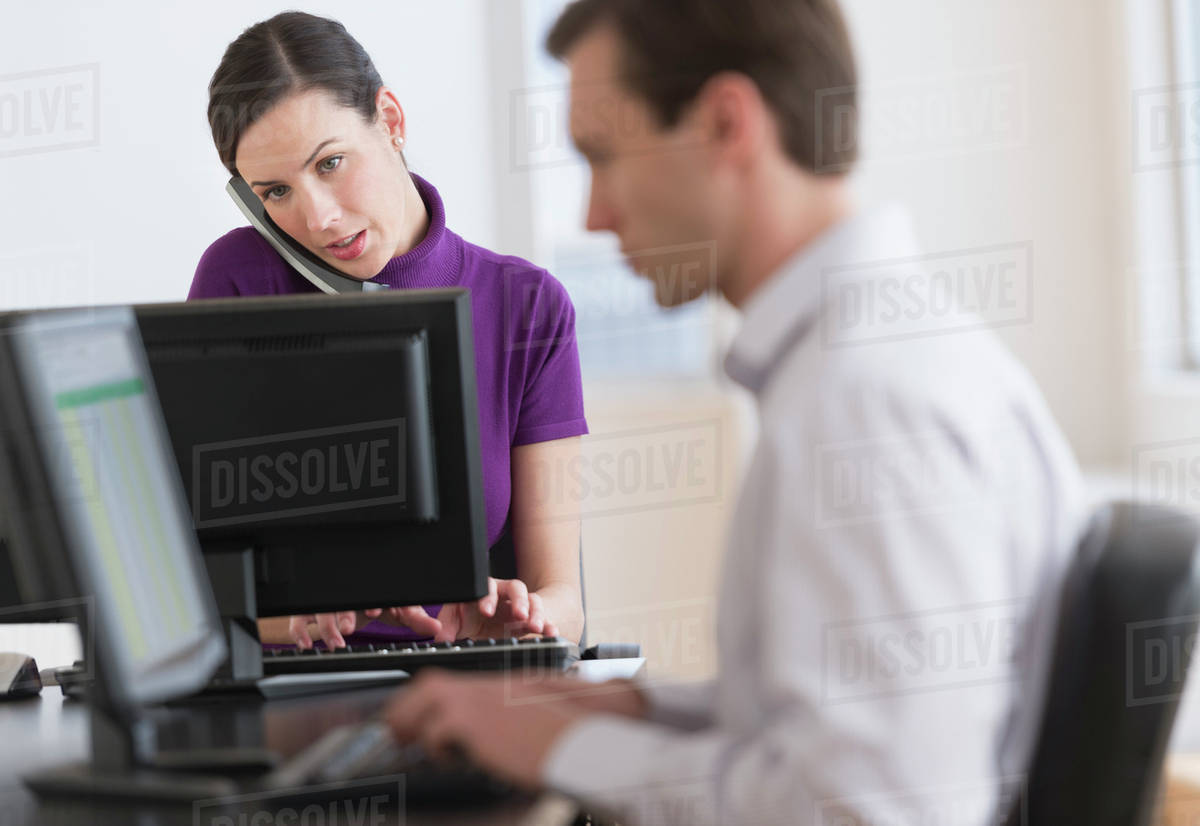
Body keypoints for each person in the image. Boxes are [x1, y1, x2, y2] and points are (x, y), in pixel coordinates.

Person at [383, 1, 1087, 824]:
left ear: (726, 123)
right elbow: (825, 731)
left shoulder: (864, 403)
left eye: (604, 157)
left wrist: (565, 751)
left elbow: (868, 810)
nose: (593, 215)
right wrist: (633, 711)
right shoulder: (876, 358)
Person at [191, 12, 587, 649]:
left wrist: (526, 618)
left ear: (391, 121)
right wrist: (293, 622)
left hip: (457, 676)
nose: (318, 218)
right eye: (276, 192)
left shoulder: (527, 305)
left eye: (330, 163)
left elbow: (563, 598)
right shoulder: (239, 280)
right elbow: (195, 591)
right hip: (294, 678)